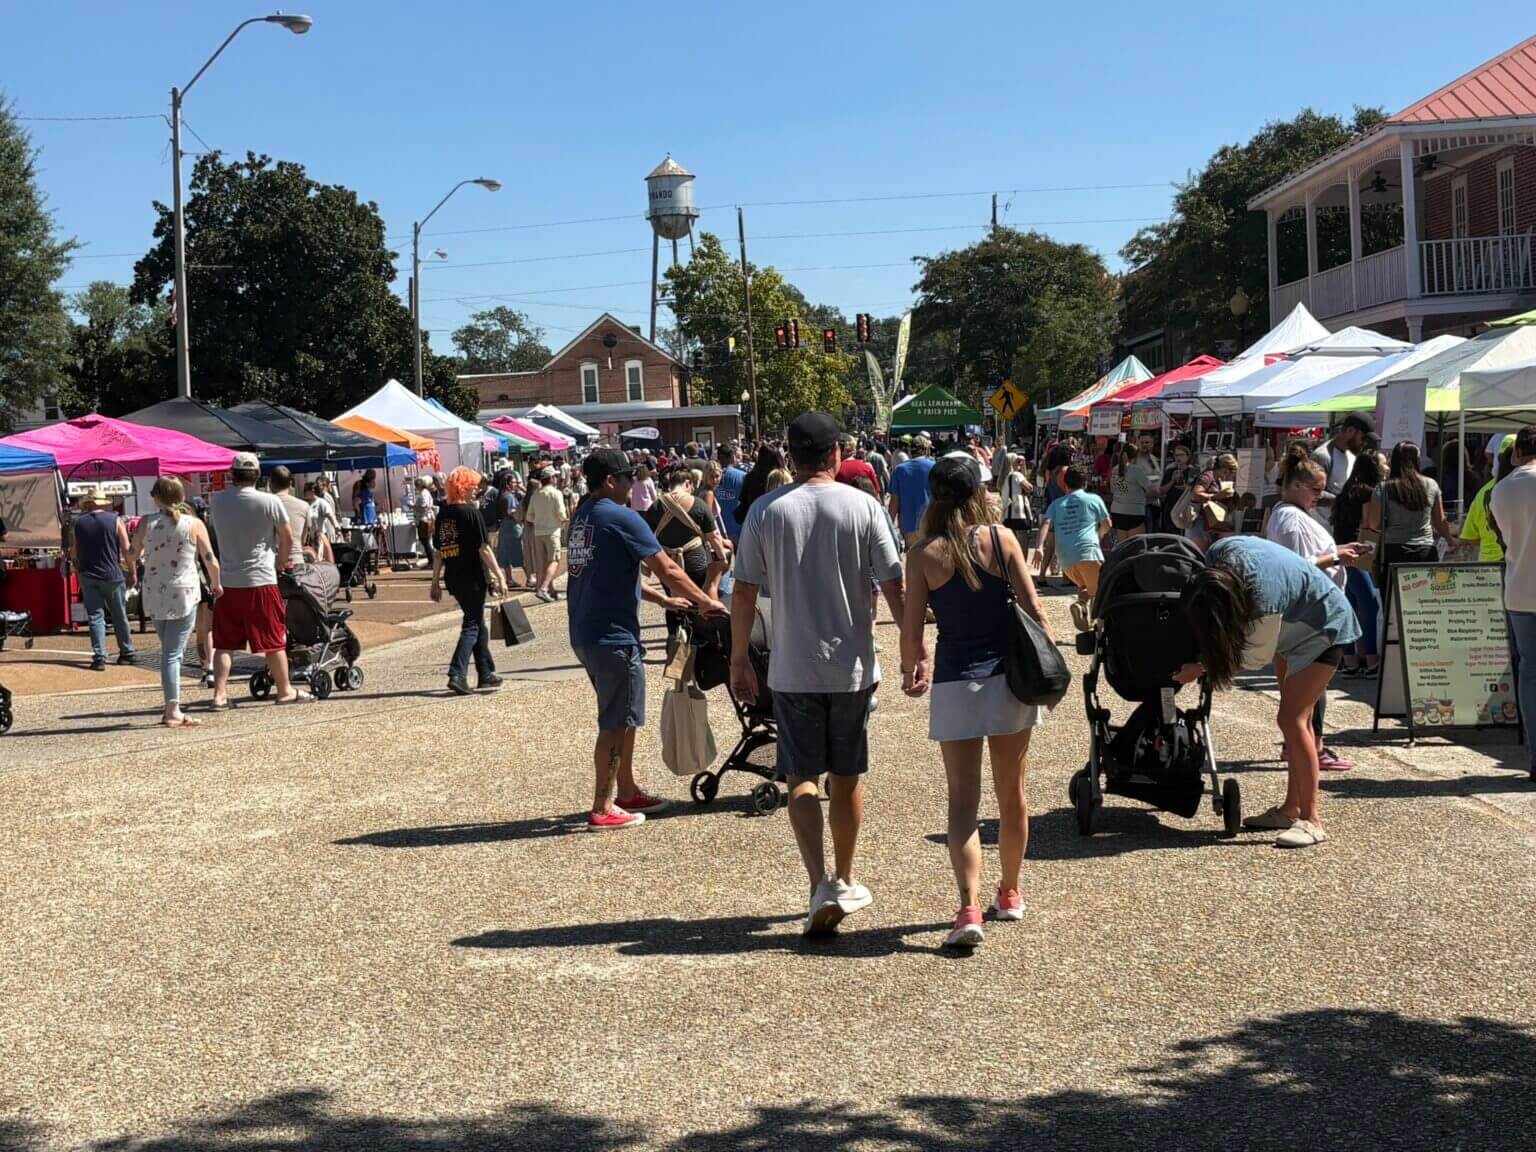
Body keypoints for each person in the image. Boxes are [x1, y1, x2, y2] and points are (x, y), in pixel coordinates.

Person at [732, 412, 904, 937]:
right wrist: (915, 645)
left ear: (790, 456)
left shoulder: (764, 511)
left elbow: (742, 590)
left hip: (791, 666)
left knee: (800, 776)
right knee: (846, 775)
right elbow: (894, 582)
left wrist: (739, 658)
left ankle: (816, 884)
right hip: (851, 665)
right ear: (835, 454)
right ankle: (846, 877)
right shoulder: (864, 507)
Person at [901, 455, 1052, 948]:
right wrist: (1050, 671)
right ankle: (1010, 892)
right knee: (1013, 796)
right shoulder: (1002, 539)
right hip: (1008, 679)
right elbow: (1035, 610)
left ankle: (968, 907)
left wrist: (911, 667)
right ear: (977, 492)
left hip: (955, 683)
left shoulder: (923, 553)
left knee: (963, 803)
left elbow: (911, 628)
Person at [567, 449, 723, 830]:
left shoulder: (583, 517)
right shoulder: (620, 517)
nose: (633, 486)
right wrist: (705, 601)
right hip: (613, 636)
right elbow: (666, 566)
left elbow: (614, 572)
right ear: (610, 481)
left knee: (625, 715)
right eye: (627, 479)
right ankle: (603, 806)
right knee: (615, 721)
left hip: (586, 630)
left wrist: (662, 599)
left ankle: (627, 789)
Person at [1175, 535, 1361, 848]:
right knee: (1295, 719)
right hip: (1290, 629)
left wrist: (1200, 668)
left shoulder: (1262, 601)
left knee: (1293, 719)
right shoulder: (1219, 555)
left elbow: (1252, 660)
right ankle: (1291, 810)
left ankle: (1312, 820)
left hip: (1323, 628)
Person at [1265, 451, 1371, 771]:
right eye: (1316, 491)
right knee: (1309, 690)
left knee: (1302, 691)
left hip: (1305, 612)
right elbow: (1298, 566)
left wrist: (1337, 552)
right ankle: (1311, 748)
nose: (1320, 497)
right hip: (1309, 614)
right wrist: (1336, 557)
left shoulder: (1290, 514)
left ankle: (1305, 746)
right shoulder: (1290, 517)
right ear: (1296, 486)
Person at [209, 452, 303, 707]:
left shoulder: (217, 501)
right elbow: (287, 535)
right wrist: (282, 561)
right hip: (261, 578)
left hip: (229, 580)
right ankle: (285, 690)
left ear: (232, 474)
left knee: (224, 643)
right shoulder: (270, 501)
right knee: (273, 640)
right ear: (257, 475)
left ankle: (219, 694)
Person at [131, 477, 222, 728]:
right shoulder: (193, 524)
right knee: (172, 653)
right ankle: (173, 709)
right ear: (181, 496)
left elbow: (131, 554)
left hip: (154, 591)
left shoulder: (146, 523)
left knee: (170, 649)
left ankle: (171, 706)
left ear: (156, 497)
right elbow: (210, 558)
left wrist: (134, 567)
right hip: (184, 591)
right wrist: (217, 583)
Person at [429, 467, 506, 696]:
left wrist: (434, 581)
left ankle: (485, 672)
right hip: (472, 576)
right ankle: (457, 672)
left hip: (454, 576)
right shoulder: (471, 514)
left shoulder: (443, 515)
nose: (477, 490)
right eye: (473, 486)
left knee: (477, 621)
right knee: (472, 624)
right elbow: (484, 549)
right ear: (464, 487)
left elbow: (439, 551)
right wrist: (499, 575)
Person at [1489, 425, 1536, 782]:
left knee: (1530, 673)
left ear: (1517, 452)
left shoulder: (1500, 490)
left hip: (1520, 589)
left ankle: (1535, 754)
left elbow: (1505, 538)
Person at [1361, 442, 1455, 610]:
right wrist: (1450, 539)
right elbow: (1440, 521)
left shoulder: (1383, 488)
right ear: (1417, 460)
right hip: (1424, 551)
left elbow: (1374, 523)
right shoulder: (1431, 484)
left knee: (1393, 607)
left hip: (1393, 552)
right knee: (1424, 606)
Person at [644, 466, 728, 622]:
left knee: (671, 600)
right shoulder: (699, 504)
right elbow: (714, 536)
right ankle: (697, 637)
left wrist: (647, 563)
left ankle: (675, 632)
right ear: (688, 484)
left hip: (667, 564)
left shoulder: (656, 506)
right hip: (696, 561)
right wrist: (722, 558)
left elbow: (646, 536)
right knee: (698, 600)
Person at [1331, 452, 1388, 677]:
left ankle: (1351, 659)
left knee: (1352, 605)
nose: (1387, 467)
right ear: (1374, 467)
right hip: (1357, 553)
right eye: (1384, 463)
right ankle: (1372, 660)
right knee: (1371, 605)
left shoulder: (1349, 490)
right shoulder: (1369, 493)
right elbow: (1371, 524)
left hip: (1343, 551)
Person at [70, 488, 138, 671]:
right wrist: (133, 571)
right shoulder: (115, 520)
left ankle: (99, 657)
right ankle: (127, 652)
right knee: (119, 614)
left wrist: (78, 571)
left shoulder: (78, 523)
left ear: (88, 503)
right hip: (112, 574)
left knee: (95, 617)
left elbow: (74, 552)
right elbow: (126, 549)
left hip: (88, 574)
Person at [1038, 466, 1110, 632]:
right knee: (1101, 591)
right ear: (1085, 482)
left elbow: (1046, 523)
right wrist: (1098, 535)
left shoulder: (1056, 503)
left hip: (1065, 559)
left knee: (1085, 584)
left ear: (1065, 484)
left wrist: (1040, 547)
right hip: (1088, 551)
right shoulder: (1094, 499)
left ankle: (1081, 605)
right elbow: (1107, 525)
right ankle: (1098, 628)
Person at [1460, 435, 1515, 563]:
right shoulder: (1528, 488)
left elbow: (1469, 537)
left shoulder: (1483, 493)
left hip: (1488, 566)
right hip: (1520, 564)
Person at [1310, 412, 1374, 519]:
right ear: (1350, 431)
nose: (1364, 443)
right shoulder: (1323, 456)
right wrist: (1343, 500)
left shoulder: (1352, 455)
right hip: (1323, 527)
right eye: (1363, 438)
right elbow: (1311, 493)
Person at [526, 469, 569, 602]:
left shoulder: (535, 495)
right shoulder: (556, 493)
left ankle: (550, 590)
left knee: (542, 562)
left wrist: (540, 521)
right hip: (552, 532)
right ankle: (544, 588)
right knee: (554, 560)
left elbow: (529, 516)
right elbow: (561, 514)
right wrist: (562, 522)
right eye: (555, 476)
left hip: (538, 532)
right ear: (551, 478)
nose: (556, 478)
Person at [887, 434, 936, 546]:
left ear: (910, 450)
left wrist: (888, 525)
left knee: (913, 558)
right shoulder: (935, 467)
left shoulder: (899, 470)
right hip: (932, 523)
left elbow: (894, 502)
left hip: (908, 525)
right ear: (927, 450)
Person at [1188, 453, 1241, 550]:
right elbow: (1195, 495)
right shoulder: (1208, 475)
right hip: (1199, 521)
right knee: (1199, 554)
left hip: (1211, 523)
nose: (1233, 477)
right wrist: (1216, 496)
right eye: (1233, 473)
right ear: (1226, 471)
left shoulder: (1218, 479)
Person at [1108, 436, 1158, 540]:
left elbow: (1115, 490)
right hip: (1134, 512)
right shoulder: (1136, 470)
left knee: (1122, 545)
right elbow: (1151, 490)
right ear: (1135, 456)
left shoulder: (1115, 469)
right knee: (1134, 546)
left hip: (1118, 512)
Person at [268, 467, 310, 571]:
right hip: (296, 561)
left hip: (272, 563)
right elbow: (303, 539)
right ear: (291, 483)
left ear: (270, 483)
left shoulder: (265, 505)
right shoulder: (304, 506)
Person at [735, 445, 786, 527]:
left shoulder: (750, 477)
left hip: (754, 523)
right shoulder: (781, 477)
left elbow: (742, 500)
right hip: (777, 523)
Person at [493, 472, 526, 588]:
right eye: (513, 482)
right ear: (507, 484)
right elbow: (512, 512)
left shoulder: (501, 495)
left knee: (506, 555)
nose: (515, 484)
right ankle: (530, 577)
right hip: (513, 526)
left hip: (503, 527)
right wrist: (520, 515)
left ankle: (509, 579)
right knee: (521, 553)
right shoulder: (509, 497)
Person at [1000, 453, 1035, 550]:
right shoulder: (1016, 475)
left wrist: (1022, 466)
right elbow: (1029, 488)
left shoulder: (1007, 477)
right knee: (1022, 547)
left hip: (1008, 515)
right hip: (1020, 515)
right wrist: (1023, 466)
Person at [716, 445, 747, 544]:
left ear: (718, 458)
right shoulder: (742, 477)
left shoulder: (710, 478)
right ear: (732, 457)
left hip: (718, 531)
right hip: (739, 529)